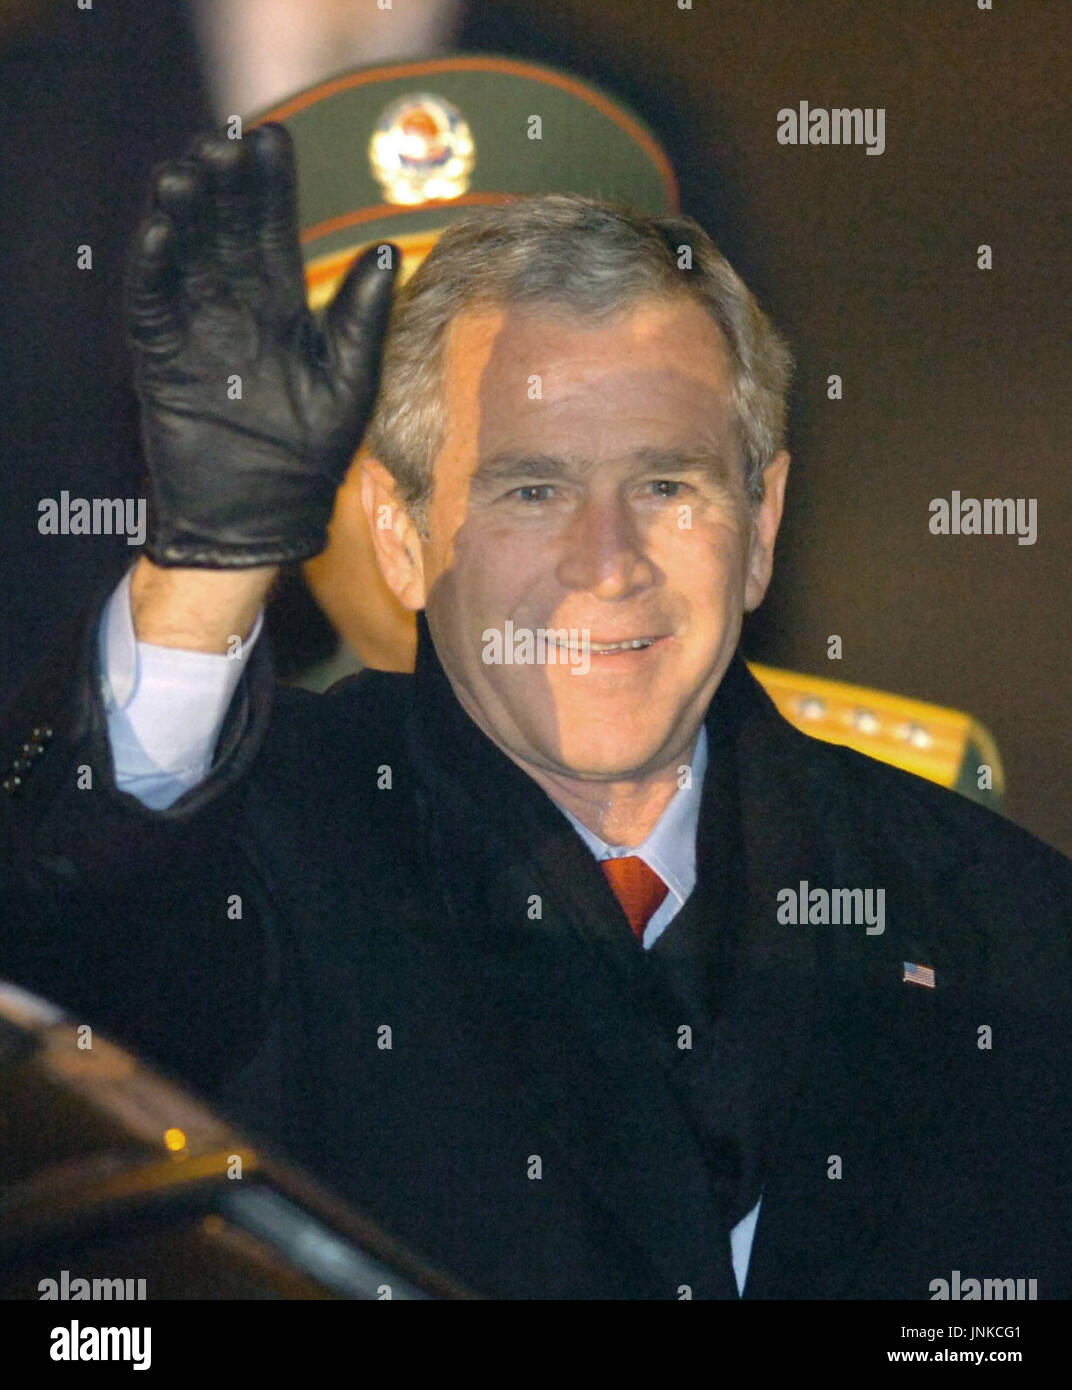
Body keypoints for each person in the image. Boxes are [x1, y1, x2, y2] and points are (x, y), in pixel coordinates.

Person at [1, 124, 1068, 1301]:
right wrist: (205, 570)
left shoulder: (1004, 926)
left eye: (666, 484)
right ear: (401, 537)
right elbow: (68, 943)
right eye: (531, 487)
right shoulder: (257, 858)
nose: (604, 563)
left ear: (760, 527)